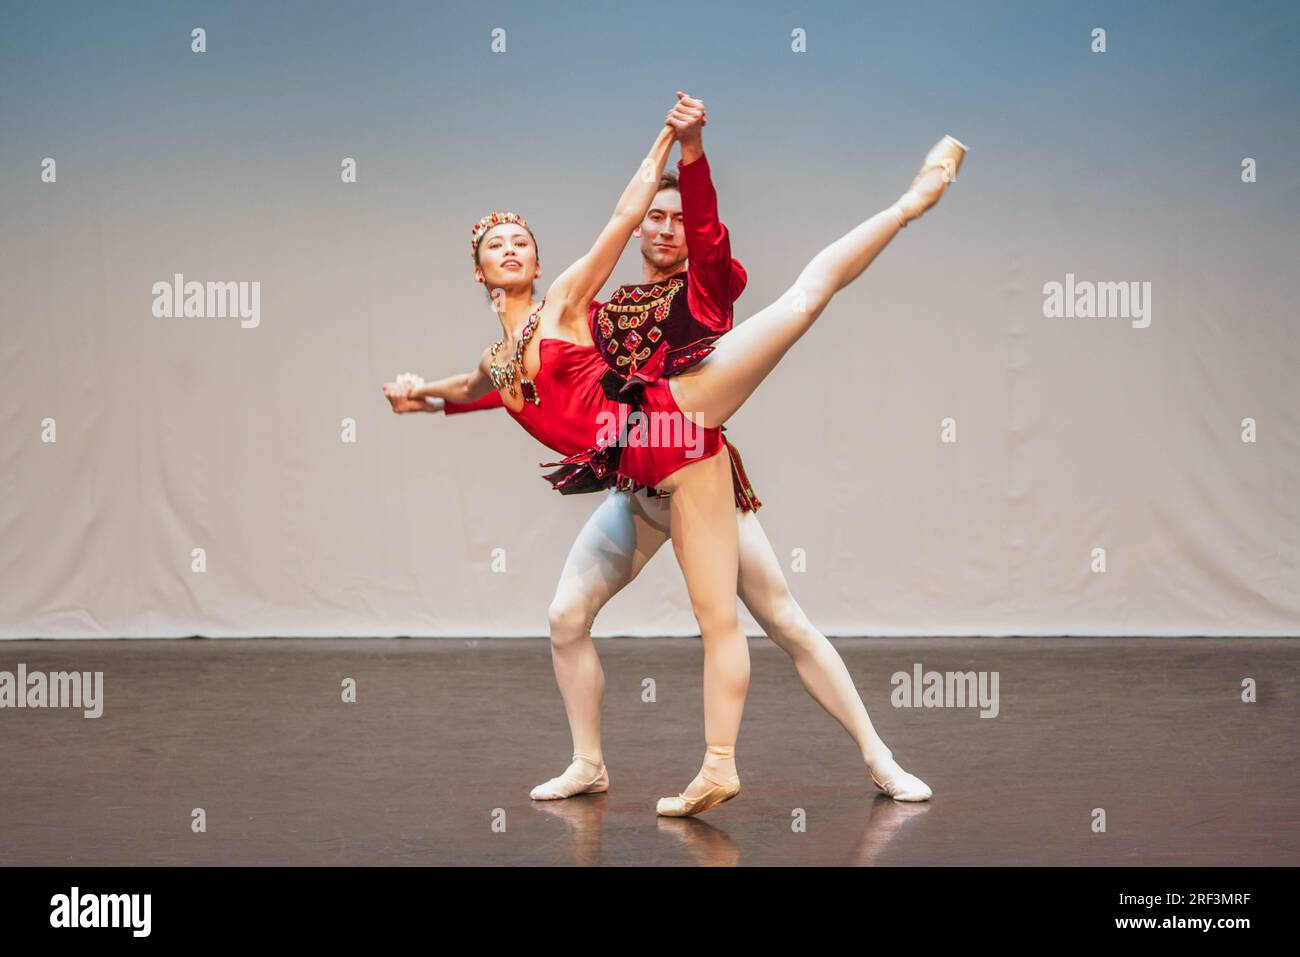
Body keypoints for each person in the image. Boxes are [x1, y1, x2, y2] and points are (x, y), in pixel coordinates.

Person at [390, 91, 964, 816]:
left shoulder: (585, 298)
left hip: (684, 436)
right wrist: (426, 396)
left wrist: (678, 143)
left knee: (801, 305)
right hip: (637, 487)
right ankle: (587, 763)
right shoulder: (565, 330)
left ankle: (912, 201)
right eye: (494, 245)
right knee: (566, 617)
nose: (510, 248)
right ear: (477, 271)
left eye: (519, 240)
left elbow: (628, 213)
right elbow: (496, 384)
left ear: (537, 259)